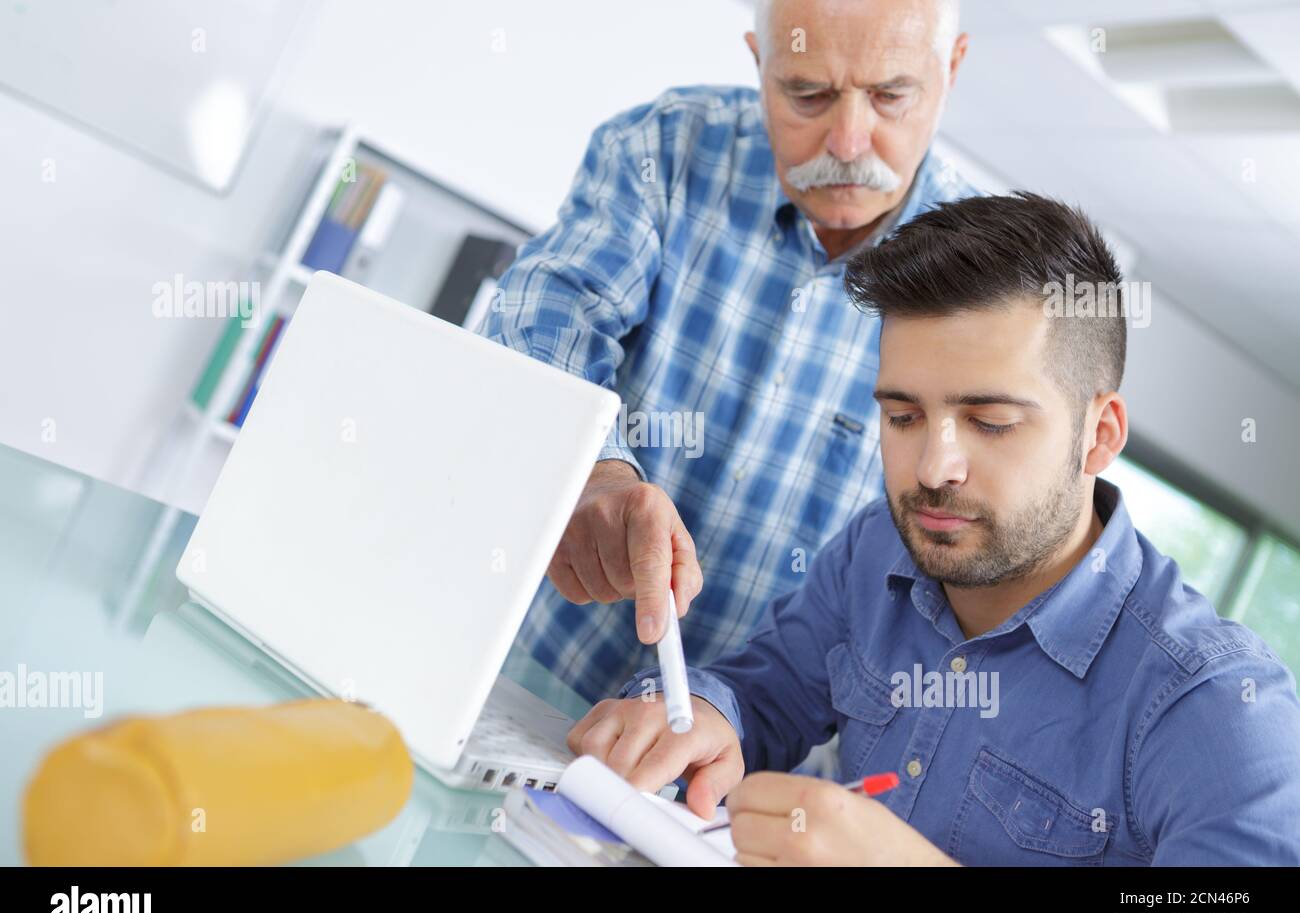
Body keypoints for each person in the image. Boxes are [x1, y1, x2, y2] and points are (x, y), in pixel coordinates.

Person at [566, 192, 1300, 865]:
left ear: (1099, 435)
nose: (932, 467)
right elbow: (769, 690)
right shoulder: (878, 548)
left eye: (990, 422)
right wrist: (706, 714)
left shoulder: (1216, 704)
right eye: (903, 417)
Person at [482, 0, 975, 703]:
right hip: (525, 677)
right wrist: (593, 472)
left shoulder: (988, 287)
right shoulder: (665, 149)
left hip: (737, 774)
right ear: (759, 61)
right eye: (807, 93)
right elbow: (542, 311)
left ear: (949, 71)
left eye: (892, 95)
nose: (847, 141)